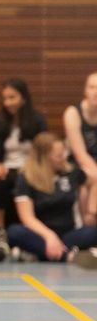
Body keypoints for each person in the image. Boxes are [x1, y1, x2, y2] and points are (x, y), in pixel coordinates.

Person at [7, 132, 97, 267]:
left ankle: (40, 254)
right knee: (14, 232)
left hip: (68, 235)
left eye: (63, 153)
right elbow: (27, 218)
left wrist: (91, 210)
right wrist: (49, 236)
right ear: (44, 158)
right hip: (40, 234)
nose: (63, 158)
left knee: (92, 231)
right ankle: (68, 257)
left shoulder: (71, 172)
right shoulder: (25, 178)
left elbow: (94, 180)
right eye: (58, 156)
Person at [0, 78, 47, 252]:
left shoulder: (37, 121)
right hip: (7, 168)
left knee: (26, 182)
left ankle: (31, 230)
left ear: (23, 98)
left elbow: (43, 149)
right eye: (5, 98)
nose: (8, 103)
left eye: (12, 98)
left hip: (31, 169)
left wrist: (30, 168)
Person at [61, 72, 97, 224]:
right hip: (78, 163)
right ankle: (90, 222)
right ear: (85, 90)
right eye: (92, 87)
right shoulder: (73, 113)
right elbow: (79, 153)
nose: (96, 92)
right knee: (85, 185)